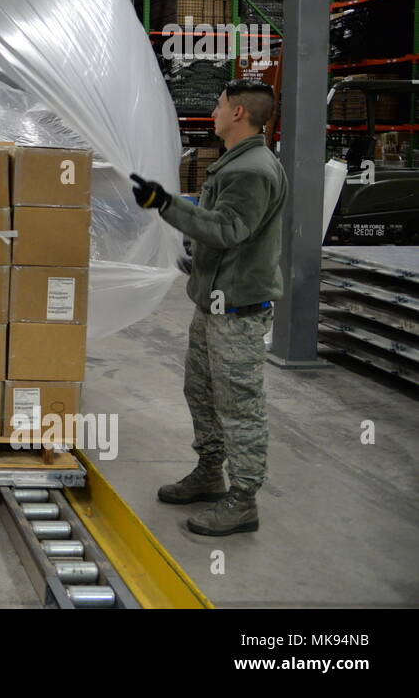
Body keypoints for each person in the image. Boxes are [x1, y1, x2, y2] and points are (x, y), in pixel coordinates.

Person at [130, 79, 287, 536]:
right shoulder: (236, 163)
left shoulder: (252, 170)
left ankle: (243, 500)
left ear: (239, 113)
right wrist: (194, 254)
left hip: (236, 310)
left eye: (219, 104)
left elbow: (228, 229)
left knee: (239, 405)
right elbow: (223, 228)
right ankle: (209, 471)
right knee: (201, 391)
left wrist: (166, 205)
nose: (213, 111)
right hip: (215, 303)